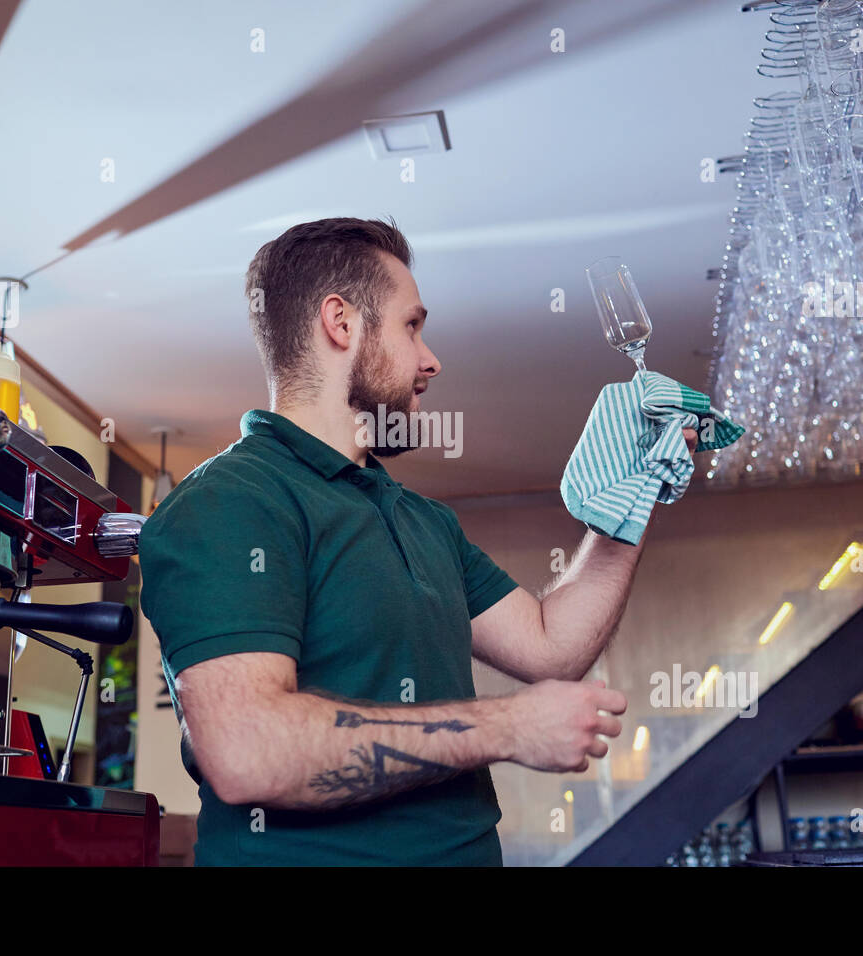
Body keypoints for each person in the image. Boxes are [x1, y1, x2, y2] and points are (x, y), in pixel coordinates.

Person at [138, 217, 697, 865]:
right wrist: (508, 726)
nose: (431, 359)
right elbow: (248, 752)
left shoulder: (423, 519)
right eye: (412, 325)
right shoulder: (231, 502)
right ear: (340, 323)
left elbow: (552, 646)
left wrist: (639, 487)